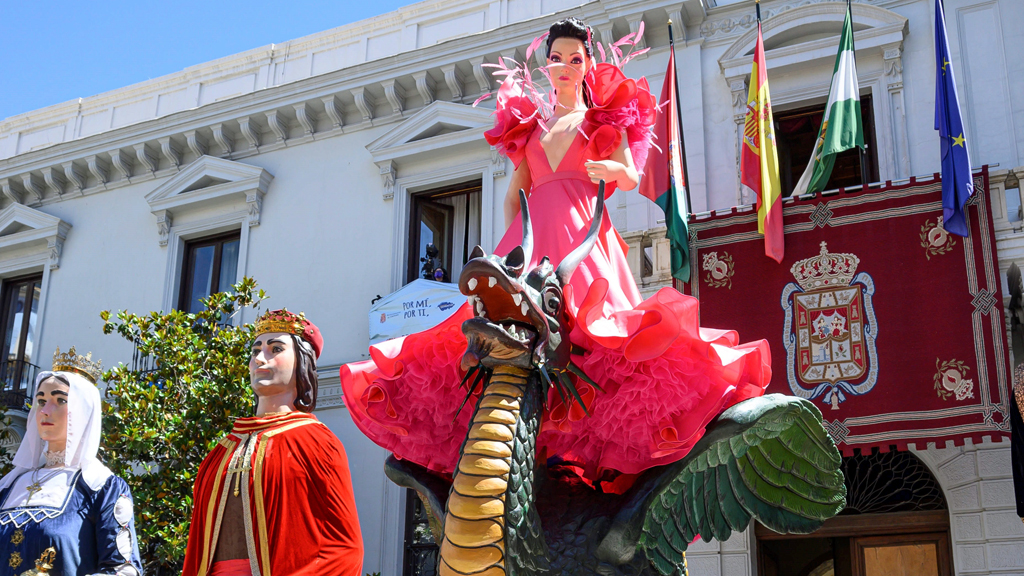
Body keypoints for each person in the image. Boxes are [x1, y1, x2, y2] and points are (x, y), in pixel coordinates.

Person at [341, 18, 771, 487]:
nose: (564, 66)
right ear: (546, 66)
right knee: (500, 339)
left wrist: (610, 168)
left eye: (574, 58)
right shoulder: (531, 131)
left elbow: (630, 175)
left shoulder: (602, 121)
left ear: (588, 65)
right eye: (556, 58)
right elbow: (513, 197)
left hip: (584, 245)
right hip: (530, 246)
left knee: (600, 341)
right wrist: (515, 246)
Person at [182, 310, 363, 576]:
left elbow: (344, 547)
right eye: (255, 350)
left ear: (302, 360)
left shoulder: (317, 443)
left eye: (275, 348)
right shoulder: (221, 451)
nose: (259, 358)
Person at [0, 347, 143, 576]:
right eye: (41, 400)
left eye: (60, 400)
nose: (45, 410)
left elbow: (122, 570)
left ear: (82, 411)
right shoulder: (7, 486)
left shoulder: (102, 487)